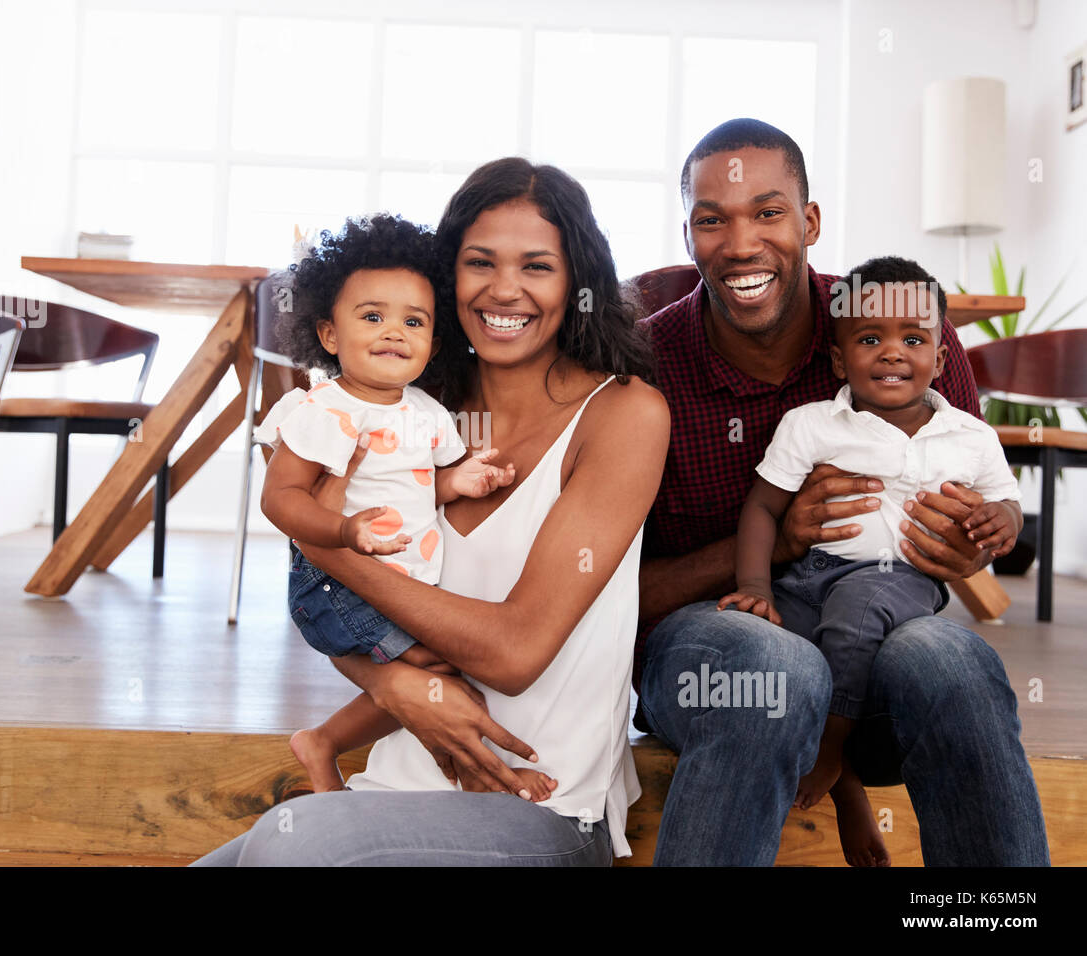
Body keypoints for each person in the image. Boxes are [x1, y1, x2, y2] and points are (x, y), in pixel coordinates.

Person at [192, 157, 668, 866]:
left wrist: (330, 547)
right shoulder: (409, 409)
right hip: (393, 786)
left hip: (540, 807)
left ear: (578, 283)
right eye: (480, 262)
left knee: (288, 854)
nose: (505, 289)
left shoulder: (623, 415)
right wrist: (389, 681)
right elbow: (331, 604)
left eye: (537, 266)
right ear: (448, 277)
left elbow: (513, 653)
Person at [636, 117, 1050, 866]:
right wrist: (774, 542)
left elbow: (955, 534)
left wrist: (959, 542)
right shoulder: (646, 363)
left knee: (952, 661)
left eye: (768, 212)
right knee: (774, 671)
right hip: (700, 652)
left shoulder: (898, 328)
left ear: (810, 221)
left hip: (874, 648)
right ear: (687, 234)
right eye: (711, 220)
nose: (740, 244)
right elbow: (596, 592)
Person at [716, 255, 1023, 866]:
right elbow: (761, 509)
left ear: (940, 359)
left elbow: (1006, 502)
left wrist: (1001, 524)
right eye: (869, 338)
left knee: (857, 611)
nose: (891, 353)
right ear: (838, 360)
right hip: (808, 579)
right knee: (780, 649)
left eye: (913, 339)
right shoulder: (811, 425)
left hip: (901, 580)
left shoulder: (969, 436)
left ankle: (831, 754)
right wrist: (757, 587)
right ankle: (849, 787)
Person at [254, 213, 551, 801]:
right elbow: (278, 497)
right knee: (444, 672)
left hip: (391, 582)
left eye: (413, 321)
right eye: (372, 317)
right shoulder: (325, 409)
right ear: (329, 334)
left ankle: (321, 742)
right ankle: (480, 775)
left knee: (440, 673)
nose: (394, 332)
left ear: (432, 344)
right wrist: (342, 529)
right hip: (336, 587)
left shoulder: (424, 412)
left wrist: (460, 482)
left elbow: (414, 486)